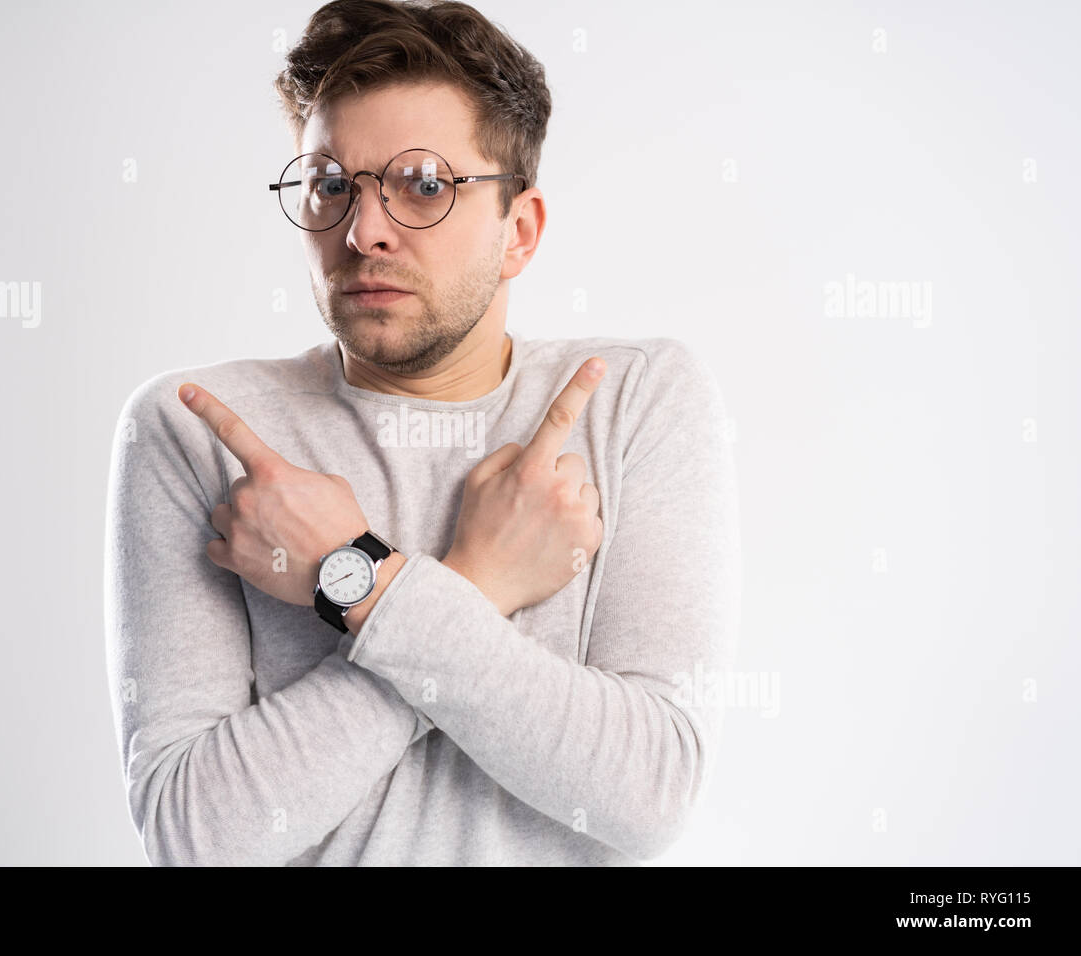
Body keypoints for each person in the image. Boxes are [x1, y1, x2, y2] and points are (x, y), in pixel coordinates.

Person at [104, 0, 741, 865]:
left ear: (519, 231)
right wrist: (474, 580)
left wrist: (355, 583)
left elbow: (649, 795)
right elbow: (196, 837)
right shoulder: (200, 432)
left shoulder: (632, 399)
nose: (363, 232)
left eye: (425, 186)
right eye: (332, 184)